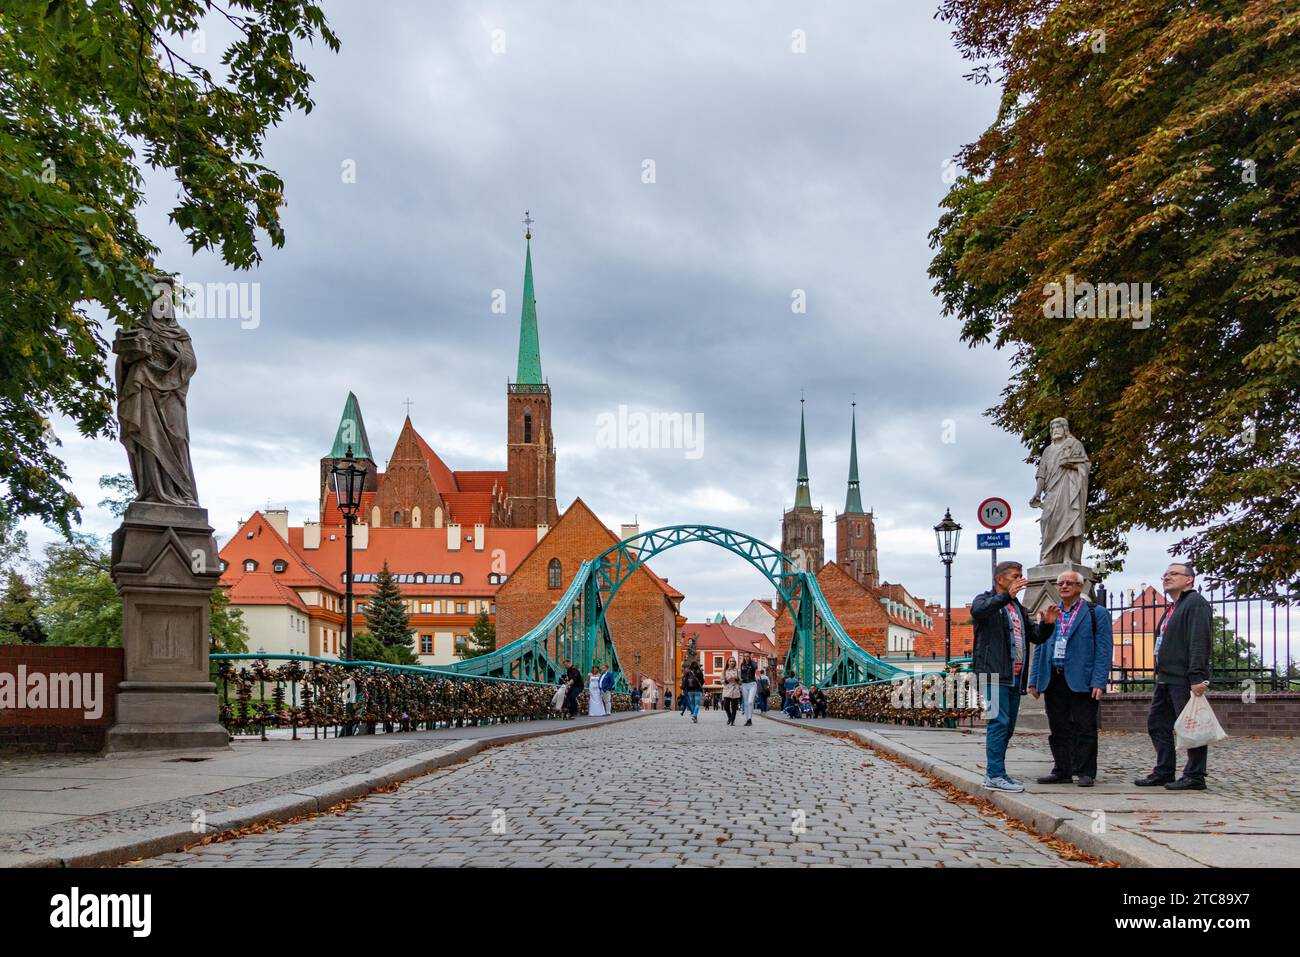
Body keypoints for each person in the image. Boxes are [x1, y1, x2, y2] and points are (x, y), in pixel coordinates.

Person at [970, 560, 1054, 792]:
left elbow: (1035, 637)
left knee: (1007, 727)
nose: (1020, 581)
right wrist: (1006, 596)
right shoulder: (985, 600)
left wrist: (1047, 625)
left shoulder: (1017, 607)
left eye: (1020, 576)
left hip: (1015, 675)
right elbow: (978, 612)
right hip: (992, 673)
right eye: (1015, 576)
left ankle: (999, 772)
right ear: (1000, 579)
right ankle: (994, 775)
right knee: (999, 722)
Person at [1028, 570, 1113, 787]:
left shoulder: (1096, 613)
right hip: (1054, 678)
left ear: (1079, 587)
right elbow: (1040, 646)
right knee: (1058, 728)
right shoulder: (1050, 613)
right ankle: (1062, 769)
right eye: (1060, 583)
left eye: (1069, 583)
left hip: (1082, 678)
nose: (1064, 586)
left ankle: (1085, 771)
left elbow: (1103, 649)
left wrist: (1099, 681)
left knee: (1084, 726)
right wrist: (1034, 679)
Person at [1135, 563, 1214, 790]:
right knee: (1157, 724)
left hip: (1183, 678)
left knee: (1192, 726)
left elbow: (1199, 641)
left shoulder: (1195, 603)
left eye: (1174, 574)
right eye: (1165, 574)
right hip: (1165, 677)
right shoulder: (1174, 607)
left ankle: (1195, 776)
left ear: (1189, 579)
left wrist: (1197, 677)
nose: (1167, 577)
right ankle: (1164, 770)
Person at [721, 658, 742, 726]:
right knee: (726, 706)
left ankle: (732, 721)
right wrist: (727, 680)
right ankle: (730, 717)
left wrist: (737, 679)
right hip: (727, 689)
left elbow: (740, 682)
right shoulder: (724, 671)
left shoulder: (737, 671)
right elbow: (721, 681)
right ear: (728, 662)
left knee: (734, 707)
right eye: (730, 661)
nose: (732, 662)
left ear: (735, 662)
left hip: (735, 689)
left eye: (733, 661)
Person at [739, 653, 758, 726]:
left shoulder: (753, 663)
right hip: (744, 685)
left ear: (750, 657)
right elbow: (742, 674)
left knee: (750, 702)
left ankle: (749, 718)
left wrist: (752, 660)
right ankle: (748, 719)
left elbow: (755, 667)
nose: (746, 658)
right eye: (745, 656)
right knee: (746, 703)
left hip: (752, 684)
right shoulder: (742, 665)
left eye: (747, 656)